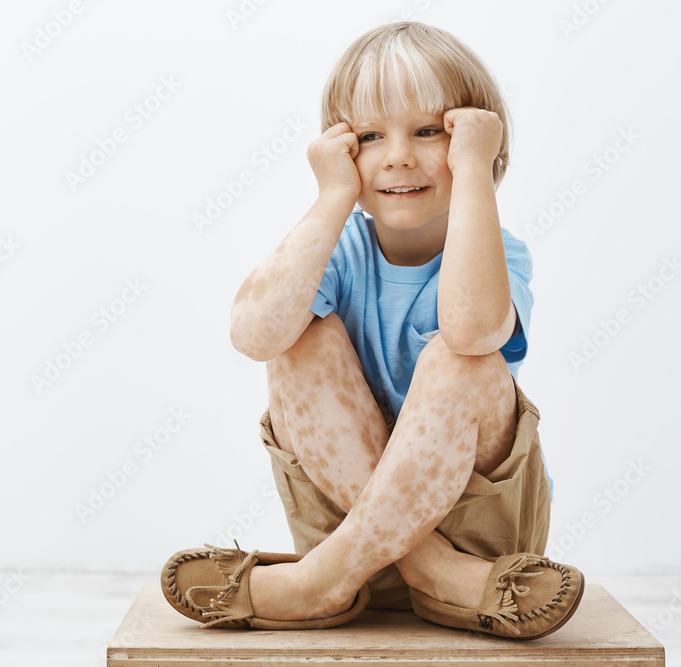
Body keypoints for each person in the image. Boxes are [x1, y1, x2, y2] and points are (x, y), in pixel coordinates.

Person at [161, 20, 583, 639]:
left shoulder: (501, 254)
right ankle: (422, 570)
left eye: (430, 131)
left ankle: (317, 583)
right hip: (348, 529)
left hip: (483, 554)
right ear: (340, 148)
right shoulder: (339, 252)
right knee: (295, 334)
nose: (399, 155)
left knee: (461, 356)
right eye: (369, 136)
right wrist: (333, 194)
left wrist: (473, 172)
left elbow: (469, 331)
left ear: (474, 139)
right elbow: (253, 335)